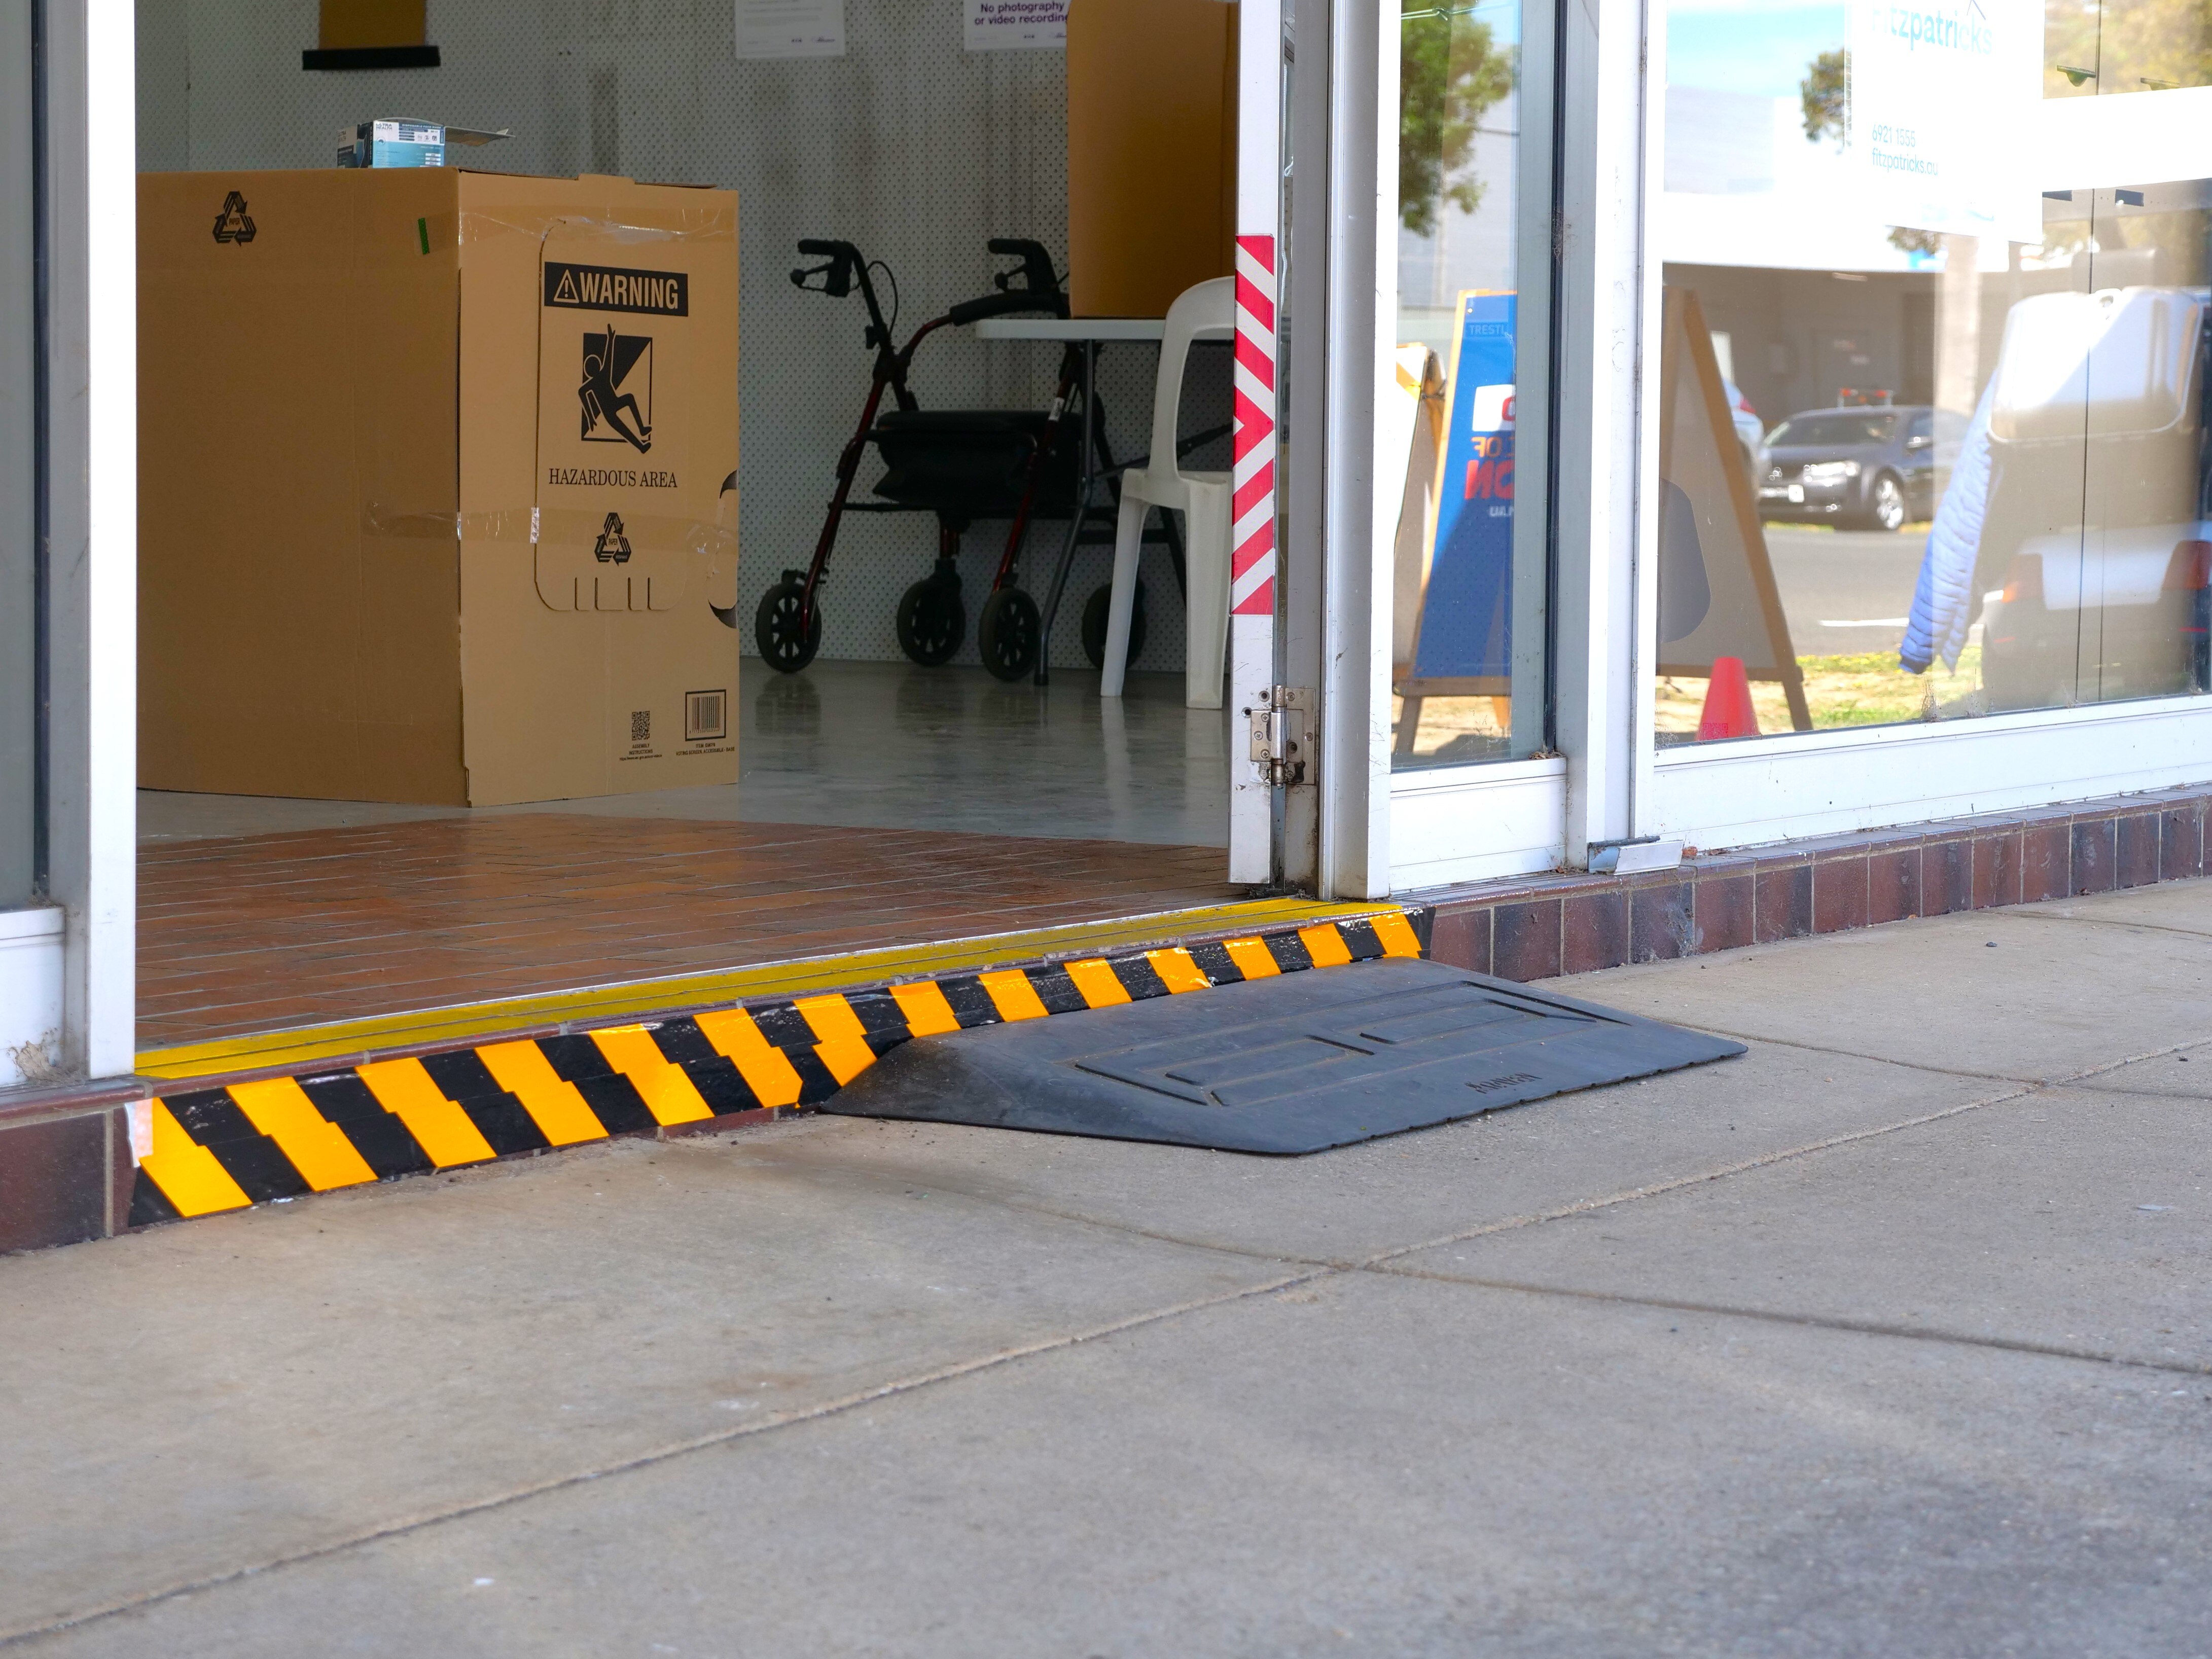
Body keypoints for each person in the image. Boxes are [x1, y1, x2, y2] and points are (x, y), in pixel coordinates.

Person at [580, 326, 652, 451]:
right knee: (625, 431)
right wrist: (590, 416)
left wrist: (611, 340)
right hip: (609, 412)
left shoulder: (602, 375)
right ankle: (641, 446)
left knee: (629, 398)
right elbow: (581, 392)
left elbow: (608, 358)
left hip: (614, 404)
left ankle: (642, 430)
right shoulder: (599, 377)